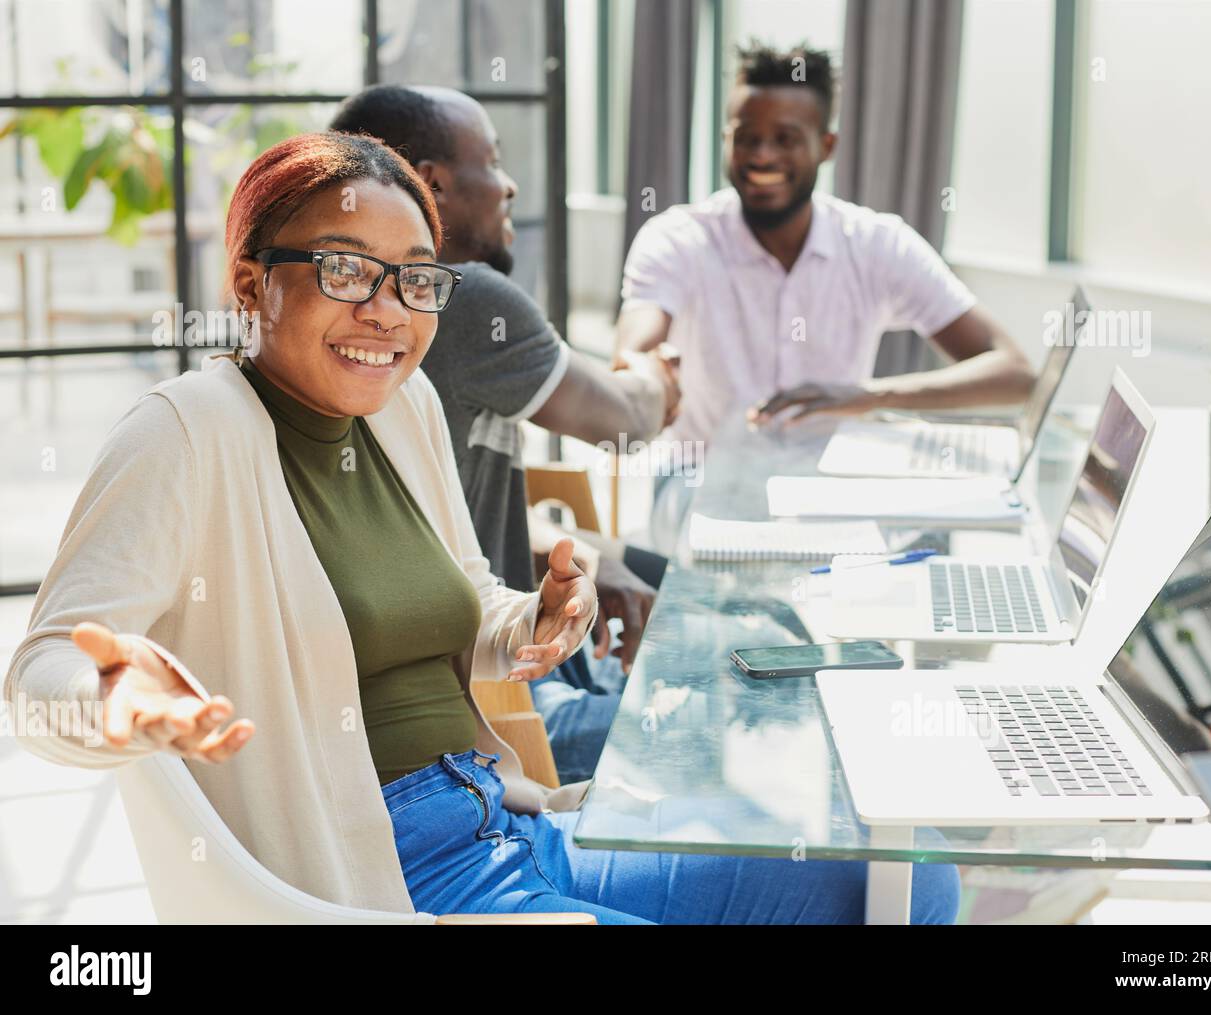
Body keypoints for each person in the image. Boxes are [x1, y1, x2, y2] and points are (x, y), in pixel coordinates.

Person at [4, 132, 959, 924]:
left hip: (503, 819)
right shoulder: (185, 431)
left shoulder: (401, 406)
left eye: (415, 280)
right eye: (345, 271)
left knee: (908, 876)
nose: (386, 312)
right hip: (386, 873)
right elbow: (39, 676)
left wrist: (534, 619)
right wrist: (116, 702)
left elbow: (473, 611)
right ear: (252, 283)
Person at [330, 85, 675, 782]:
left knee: (671, 596)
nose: (510, 183)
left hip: (511, 628)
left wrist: (573, 549)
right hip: (495, 695)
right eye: (492, 159)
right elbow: (624, 422)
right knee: (705, 712)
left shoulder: (392, 334)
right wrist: (653, 372)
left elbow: (434, 516)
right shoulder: (465, 296)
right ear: (432, 186)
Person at [616, 43, 1036, 547]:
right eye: (745, 138)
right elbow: (635, 349)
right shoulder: (678, 239)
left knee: (935, 549)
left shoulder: (877, 243)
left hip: (832, 490)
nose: (762, 157)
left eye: (785, 139)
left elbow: (1014, 373)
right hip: (699, 484)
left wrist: (870, 396)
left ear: (827, 145)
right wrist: (644, 370)